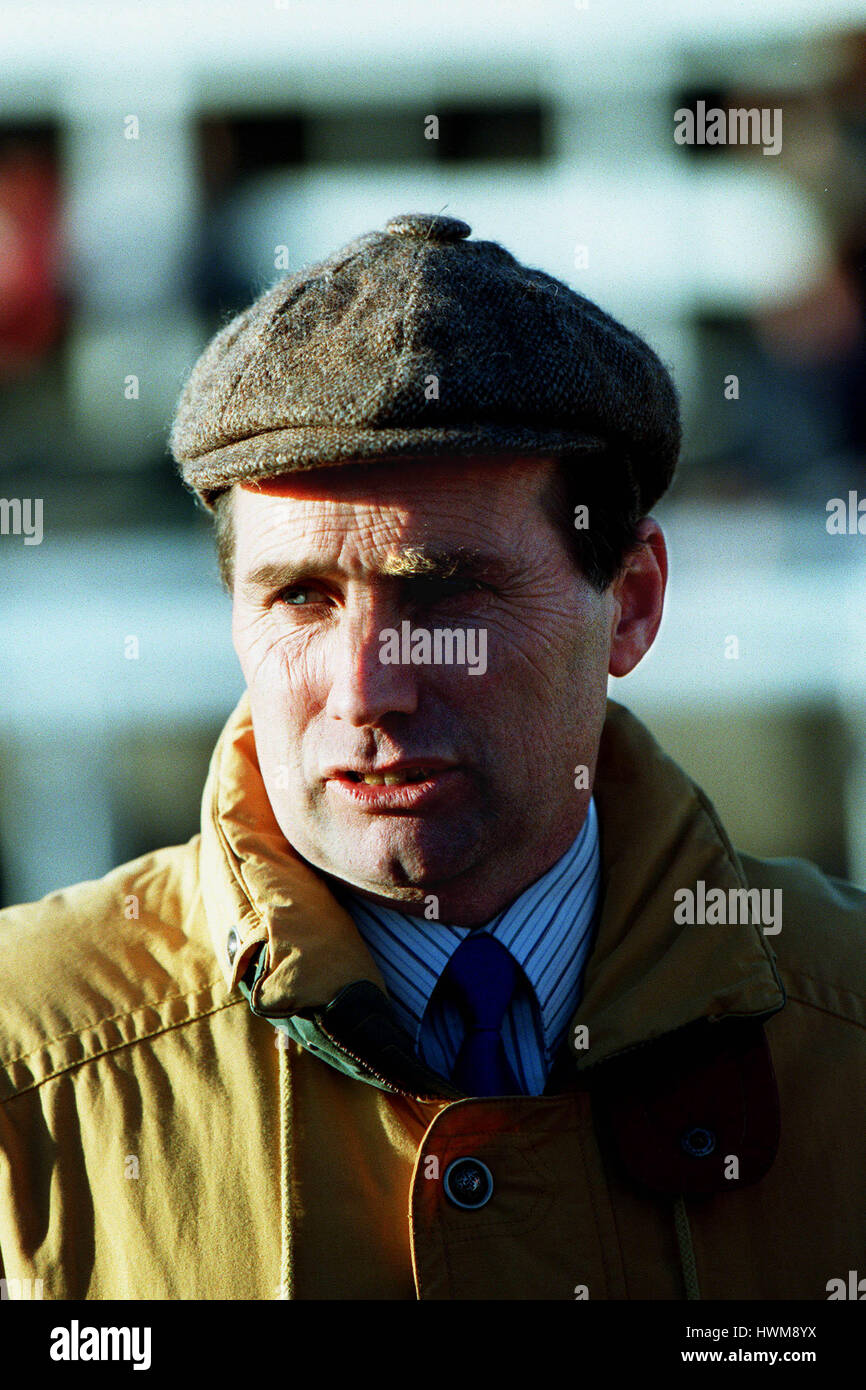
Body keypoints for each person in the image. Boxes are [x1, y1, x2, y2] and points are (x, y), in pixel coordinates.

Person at [0, 212, 864, 1302]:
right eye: (301, 597)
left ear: (632, 602)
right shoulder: (24, 1069)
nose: (368, 687)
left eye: (447, 590)